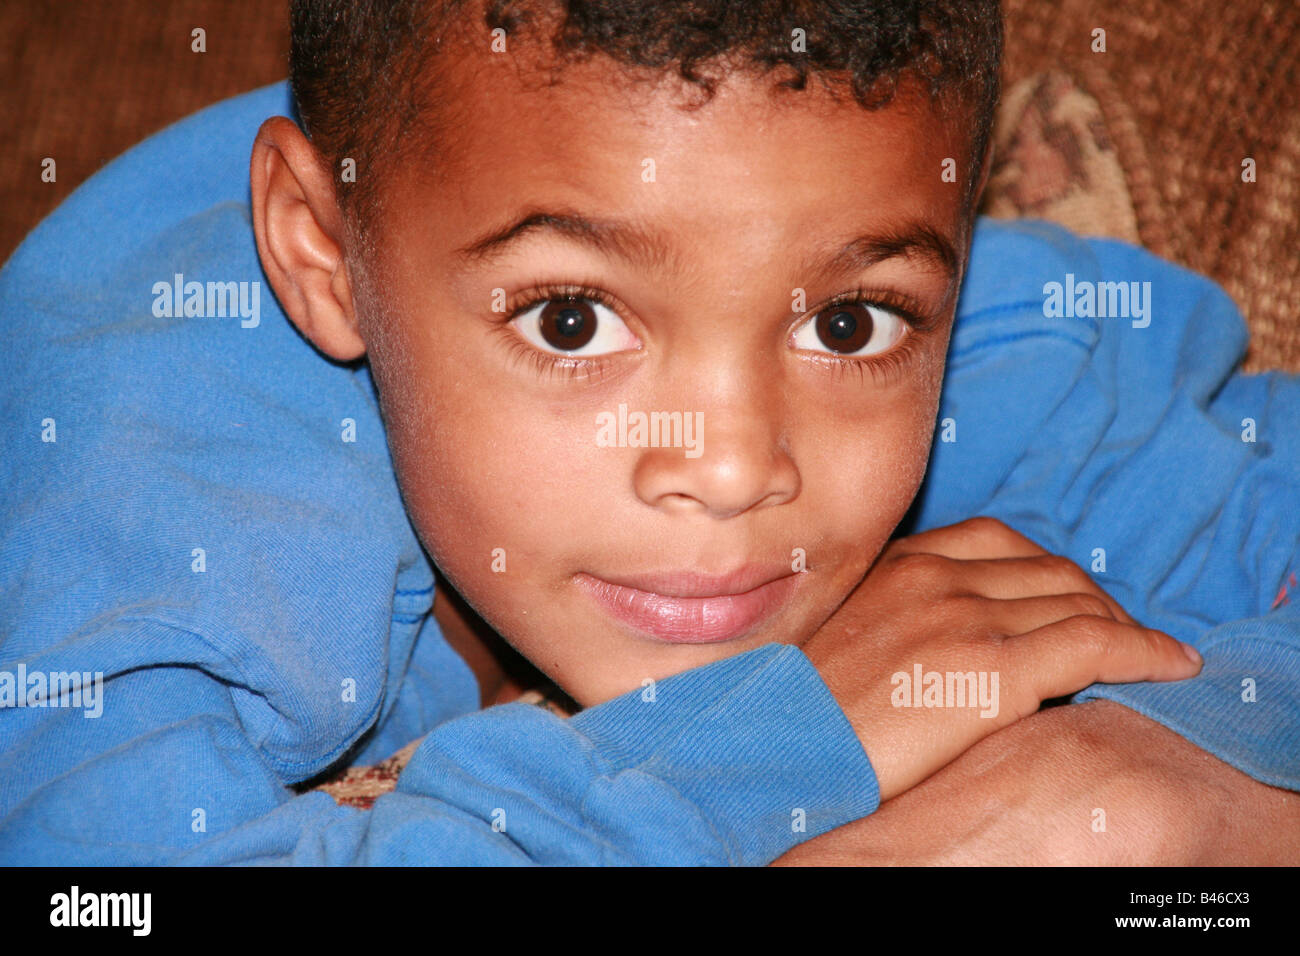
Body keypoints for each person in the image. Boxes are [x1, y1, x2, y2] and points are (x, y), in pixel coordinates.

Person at [1, 0, 1295, 866]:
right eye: (571, 322)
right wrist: (768, 741)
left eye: (845, 329)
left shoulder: (964, 325)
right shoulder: (151, 492)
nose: (733, 466)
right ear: (324, 259)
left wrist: (1159, 786)